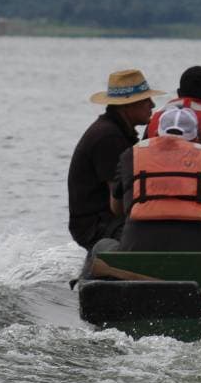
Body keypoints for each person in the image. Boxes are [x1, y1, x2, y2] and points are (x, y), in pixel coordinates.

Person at [67, 68, 165, 250]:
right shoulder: (109, 138)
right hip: (96, 224)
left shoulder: (117, 131)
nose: (152, 105)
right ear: (127, 105)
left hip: (105, 218)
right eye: (146, 100)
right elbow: (118, 201)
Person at [113, 106, 201, 251]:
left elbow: (116, 208)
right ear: (196, 139)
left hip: (137, 246)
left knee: (103, 245)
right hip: (198, 247)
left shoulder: (130, 155)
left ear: (157, 134)